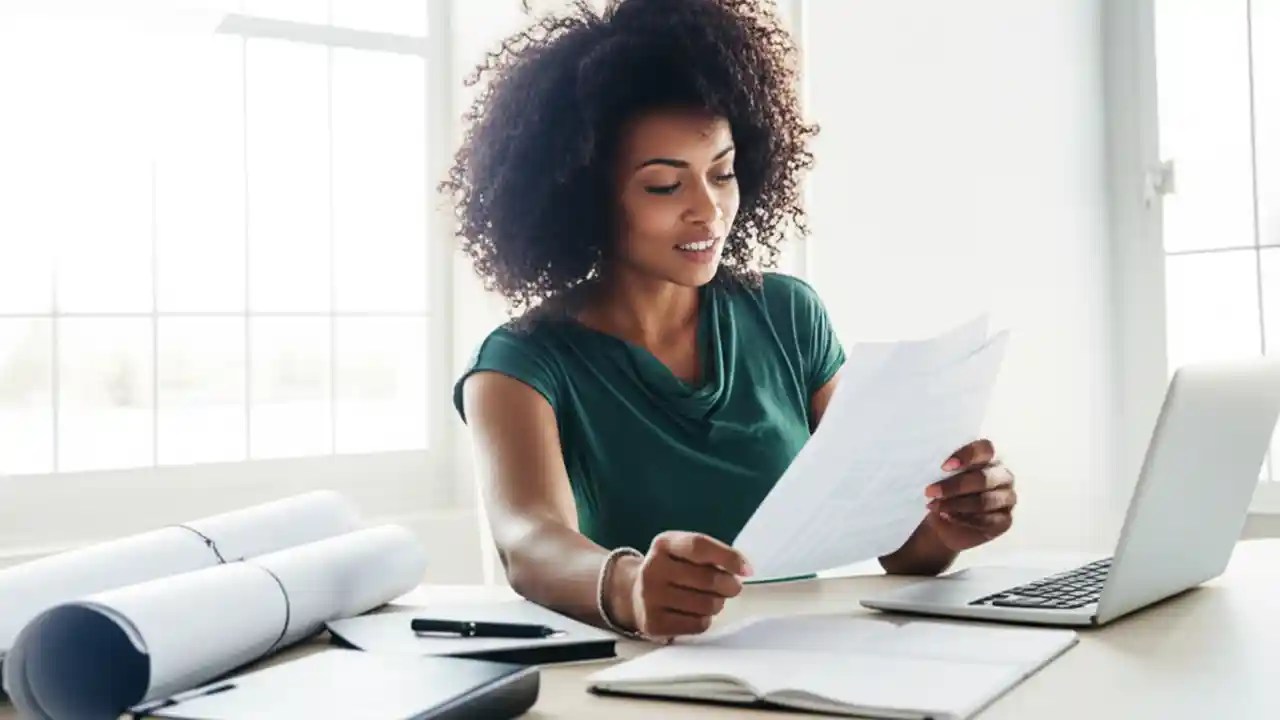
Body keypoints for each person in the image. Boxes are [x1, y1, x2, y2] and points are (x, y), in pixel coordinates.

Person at [442, 0, 1017, 640]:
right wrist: (631, 587)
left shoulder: (789, 316)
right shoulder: (519, 364)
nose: (709, 211)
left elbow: (899, 545)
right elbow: (527, 539)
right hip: (642, 680)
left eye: (723, 173)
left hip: (814, 663)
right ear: (582, 197)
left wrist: (950, 520)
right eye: (665, 186)